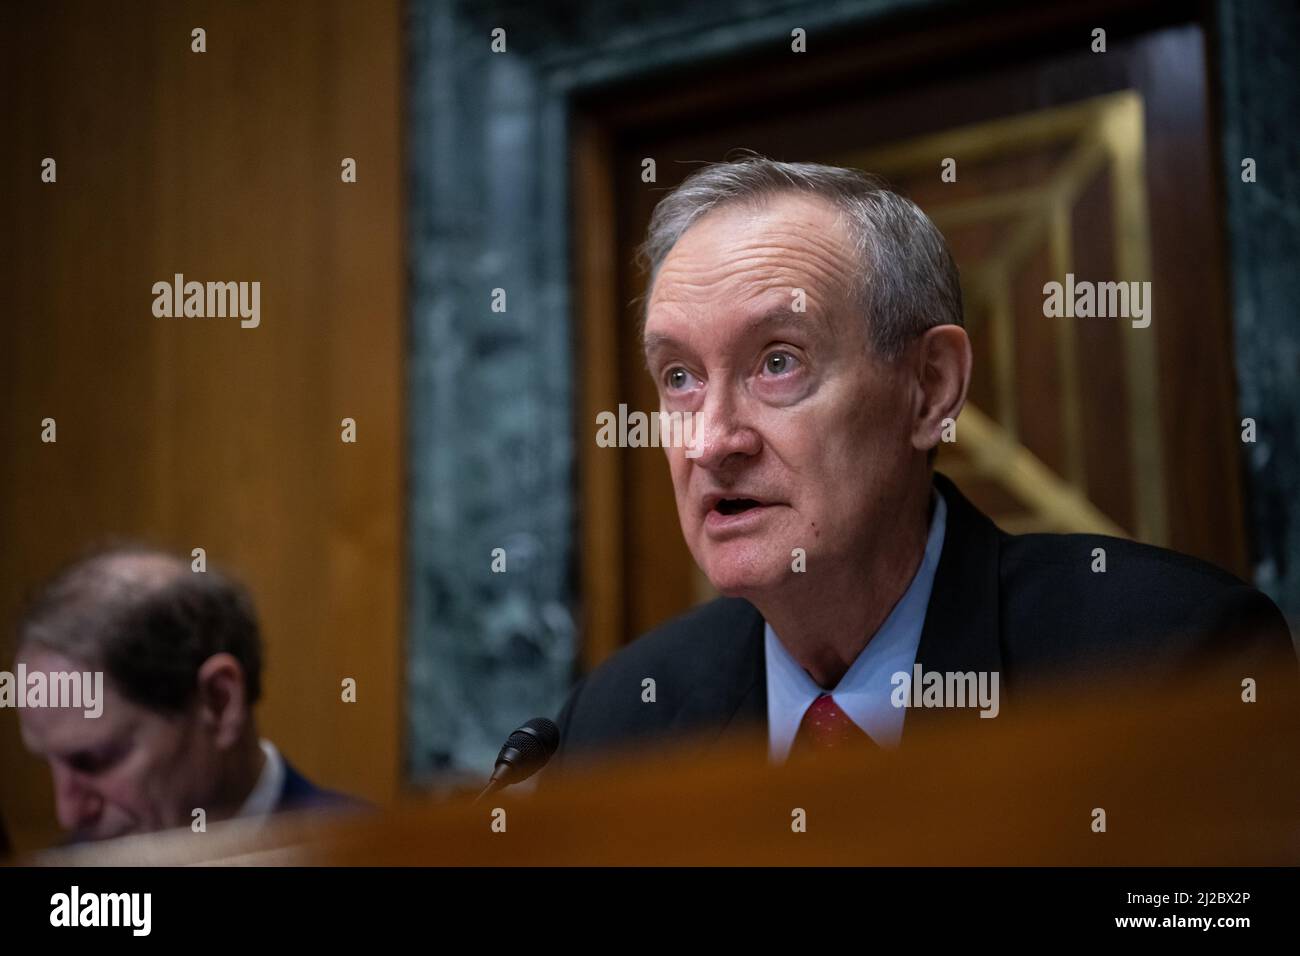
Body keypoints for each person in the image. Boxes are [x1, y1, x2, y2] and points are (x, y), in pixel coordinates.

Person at [551, 155, 1298, 771]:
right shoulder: (615, 726)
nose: (711, 441)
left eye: (778, 362)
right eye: (679, 377)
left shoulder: (1169, 664)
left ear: (930, 387)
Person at [13, 545, 360, 843]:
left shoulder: (371, 855)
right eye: (49, 763)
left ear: (220, 702)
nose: (69, 814)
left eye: (97, 760)